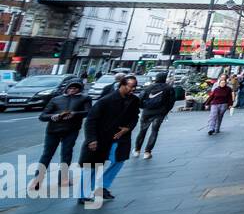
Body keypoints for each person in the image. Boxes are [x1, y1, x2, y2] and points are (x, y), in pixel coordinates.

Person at [77, 75, 141, 206]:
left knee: (119, 160)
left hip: (121, 137)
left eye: (134, 87)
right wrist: (92, 139)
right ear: (122, 85)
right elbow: (90, 120)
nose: (132, 89)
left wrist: (127, 128)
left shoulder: (134, 100)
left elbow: (135, 117)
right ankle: (83, 194)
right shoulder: (106, 100)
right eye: (130, 86)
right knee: (92, 166)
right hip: (101, 138)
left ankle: (102, 187)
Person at [33, 79, 91, 193]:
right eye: (70, 88)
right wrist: (53, 116)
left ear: (79, 89)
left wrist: (75, 114)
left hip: (71, 130)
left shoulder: (84, 98)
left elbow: (88, 112)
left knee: (66, 154)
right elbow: (42, 116)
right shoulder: (56, 99)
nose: (72, 90)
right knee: (47, 154)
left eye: (75, 88)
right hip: (53, 130)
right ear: (66, 88)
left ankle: (63, 179)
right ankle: (38, 179)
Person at [135, 71, 176, 159]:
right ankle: (147, 152)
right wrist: (165, 111)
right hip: (159, 113)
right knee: (154, 131)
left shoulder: (148, 87)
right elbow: (171, 102)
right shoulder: (169, 88)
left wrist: (144, 107)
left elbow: (140, 99)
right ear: (165, 79)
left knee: (142, 130)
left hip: (147, 112)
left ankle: (137, 150)